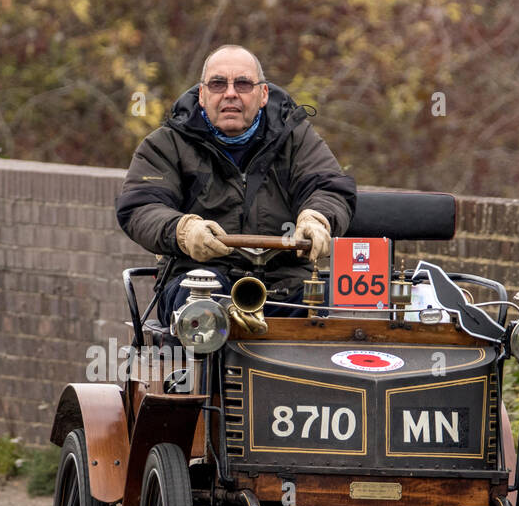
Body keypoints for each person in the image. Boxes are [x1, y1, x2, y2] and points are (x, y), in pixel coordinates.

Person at [116, 44, 357, 323]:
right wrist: (184, 230)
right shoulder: (165, 145)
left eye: (243, 84)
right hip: (199, 281)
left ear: (263, 94)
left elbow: (328, 187)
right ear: (202, 95)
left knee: (330, 310)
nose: (230, 93)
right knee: (201, 304)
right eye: (218, 84)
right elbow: (141, 205)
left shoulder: (297, 140)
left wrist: (317, 218)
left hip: (285, 284)